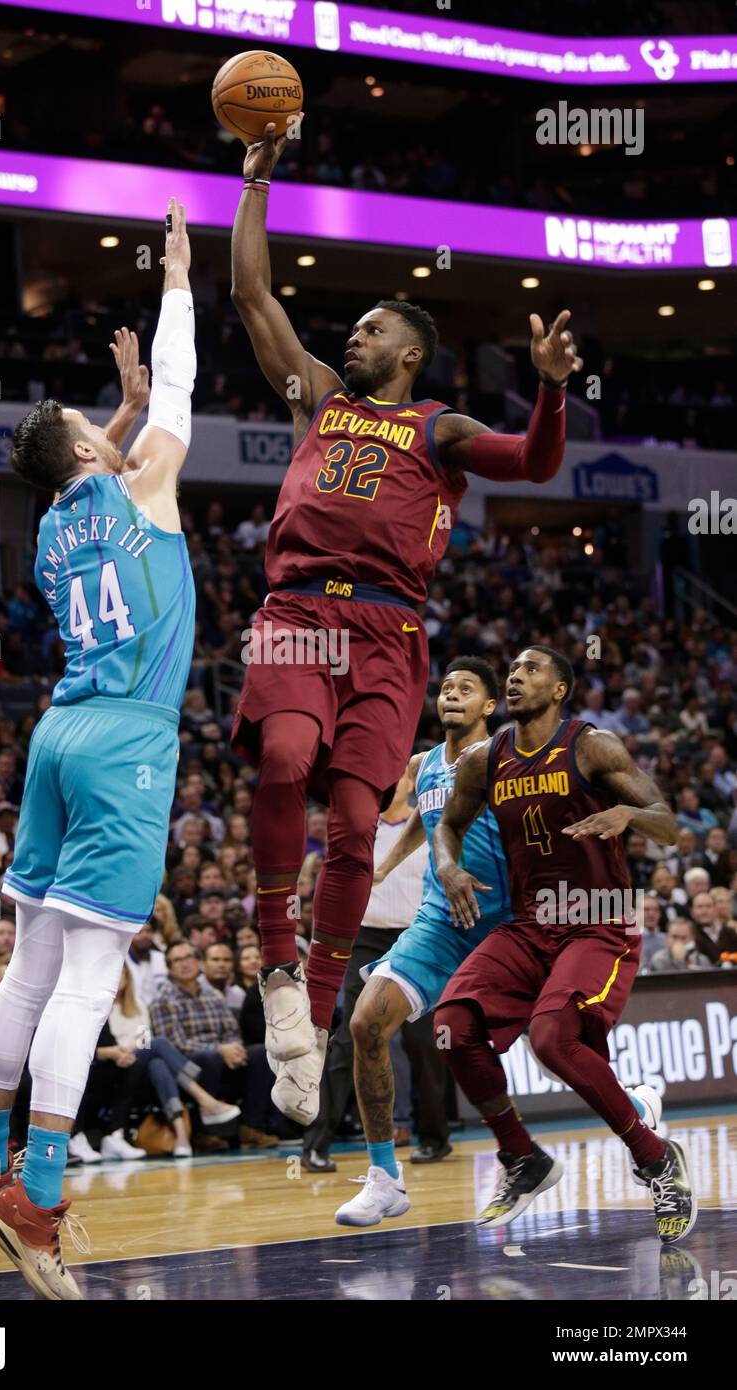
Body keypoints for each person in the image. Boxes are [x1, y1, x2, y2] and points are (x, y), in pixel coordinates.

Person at [229, 121, 583, 1127]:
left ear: (410, 353)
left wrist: (551, 386)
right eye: (353, 330)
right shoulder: (317, 397)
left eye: (372, 330)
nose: (354, 339)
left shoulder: (439, 428)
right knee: (283, 757)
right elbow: (252, 296)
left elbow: (536, 462)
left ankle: (315, 1020)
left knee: (354, 824)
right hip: (298, 611)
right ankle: (278, 964)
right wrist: (255, 185)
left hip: (388, 632)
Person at [0, 200, 198, 1301]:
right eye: (104, 429)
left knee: (30, 970)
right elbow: (177, 392)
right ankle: (36, 1199)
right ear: (95, 452)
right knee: (89, 982)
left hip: (58, 734)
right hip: (128, 739)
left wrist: (117, 416)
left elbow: (91, 465)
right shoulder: (144, 490)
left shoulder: (50, 527)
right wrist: (177, 282)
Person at [432, 646, 695, 1245]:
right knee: (450, 1024)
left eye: (531, 670)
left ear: (559, 690)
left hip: (599, 920)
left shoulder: (592, 746)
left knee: (552, 1037)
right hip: (531, 923)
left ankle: (656, 1159)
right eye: (512, 670)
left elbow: (669, 825)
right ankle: (522, 1157)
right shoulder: (486, 758)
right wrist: (447, 866)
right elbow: (447, 825)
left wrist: (627, 813)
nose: (515, 677)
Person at [331, 660, 508, 1218]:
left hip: (505, 922)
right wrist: (386, 866)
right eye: (446, 688)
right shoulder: (423, 764)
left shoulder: (506, 758)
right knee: (365, 1022)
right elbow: (427, 819)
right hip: (439, 922)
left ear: (489, 706)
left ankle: (631, 1107)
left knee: (557, 1043)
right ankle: (385, 1176)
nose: (451, 695)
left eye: (466, 689)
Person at [71, 968, 239, 1162]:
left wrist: (130, 1048)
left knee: (157, 1063)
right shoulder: (101, 1007)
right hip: (113, 1062)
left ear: (128, 978)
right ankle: (203, 1101)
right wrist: (125, 1050)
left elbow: (144, 1040)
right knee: (159, 1045)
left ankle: (182, 1135)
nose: (117, 978)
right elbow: (122, 1044)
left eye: (122, 974)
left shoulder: (139, 1006)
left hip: (138, 1061)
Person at [150, 940, 278, 1149]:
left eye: (188, 958)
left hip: (222, 1054)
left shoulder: (214, 995)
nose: (184, 964)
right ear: (169, 968)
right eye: (177, 960)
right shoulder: (163, 999)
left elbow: (231, 1031)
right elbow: (174, 1045)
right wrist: (218, 1049)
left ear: (198, 962)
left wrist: (234, 1049)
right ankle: (205, 1133)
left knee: (260, 1053)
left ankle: (251, 1127)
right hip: (187, 1063)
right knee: (211, 1058)